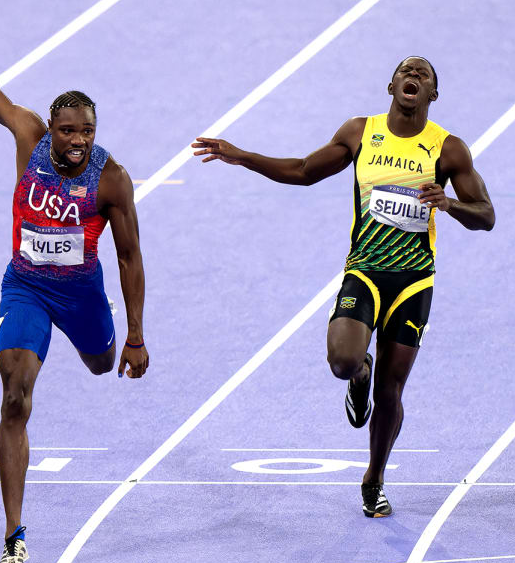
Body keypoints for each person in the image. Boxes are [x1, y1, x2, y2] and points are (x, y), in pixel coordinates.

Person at [192, 57, 494, 518]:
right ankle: (360, 371)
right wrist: (242, 156)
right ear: (390, 84)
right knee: (342, 360)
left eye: (424, 74)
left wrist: (449, 203)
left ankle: (374, 478)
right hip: (366, 273)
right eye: (406, 70)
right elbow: (303, 170)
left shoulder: (448, 151)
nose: (414, 75)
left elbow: (487, 216)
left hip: (414, 283)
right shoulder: (360, 132)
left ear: (433, 94)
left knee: (392, 392)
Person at [0, 0, 149, 563]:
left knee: (101, 363)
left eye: (85, 132)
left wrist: (134, 333)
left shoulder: (111, 179)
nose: (75, 141)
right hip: (26, 285)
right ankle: (14, 534)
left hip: (83, 295)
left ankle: (98, 342)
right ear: (49, 129)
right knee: (14, 399)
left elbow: (130, 258)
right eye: (66, 132)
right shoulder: (28, 136)